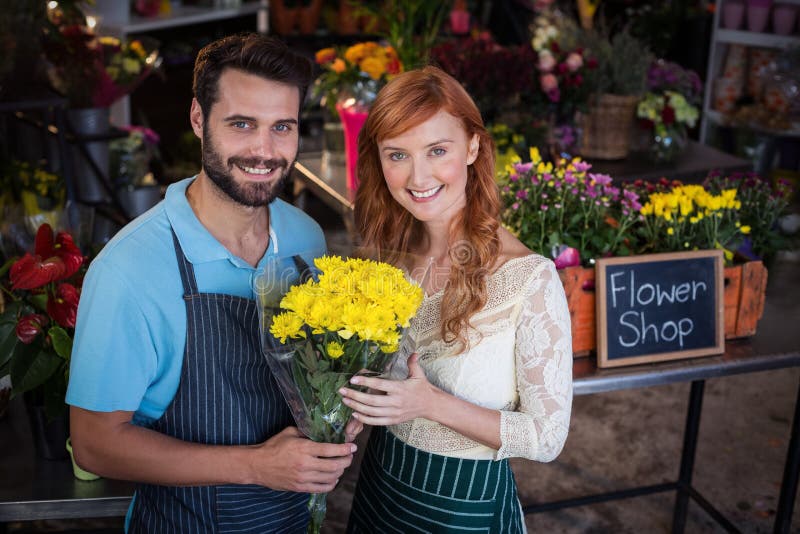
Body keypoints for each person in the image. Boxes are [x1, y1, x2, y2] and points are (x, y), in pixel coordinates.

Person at [67, 34, 361, 533]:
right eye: (242, 124)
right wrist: (254, 465)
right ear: (199, 119)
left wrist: (336, 411)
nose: (264, 151)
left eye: (282, 127)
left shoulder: (306, 238)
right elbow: (96, 444)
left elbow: (313, 372)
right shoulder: (130, 269)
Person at [341, 66, 573, 533]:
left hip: (464, 506)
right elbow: (385, 376)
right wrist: (353, 404)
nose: (418, 175)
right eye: (397, 155)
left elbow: (546, 438)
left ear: (473, 147)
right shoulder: (389, 260)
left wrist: (428, 404)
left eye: (437, 151)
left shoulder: (528, 280)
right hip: (382, 486)